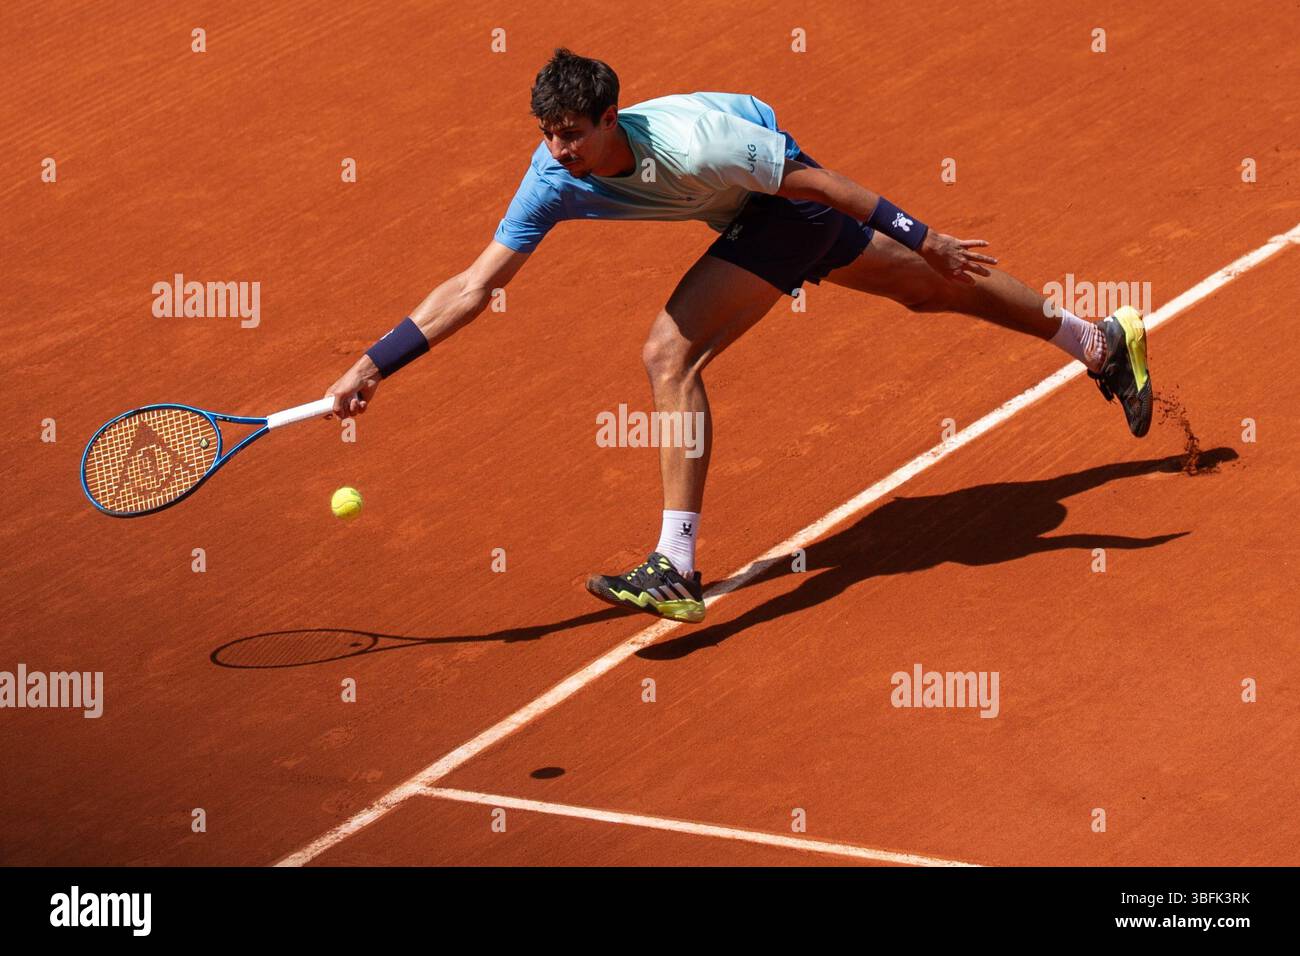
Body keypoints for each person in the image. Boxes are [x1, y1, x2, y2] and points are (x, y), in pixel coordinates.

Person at [325, 49, 1152, 625]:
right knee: (927, 293)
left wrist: (924, 228)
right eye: (548, 133)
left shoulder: (697, 146)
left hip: (783, 202)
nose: (559, 150)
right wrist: (373, 366)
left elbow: (821, 183)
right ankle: (1100, 343)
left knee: (667, 352)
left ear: (611, 117)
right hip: (748, 211)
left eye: (573, 132)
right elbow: (474, 287)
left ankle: (675, 565)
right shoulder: (553, 180)